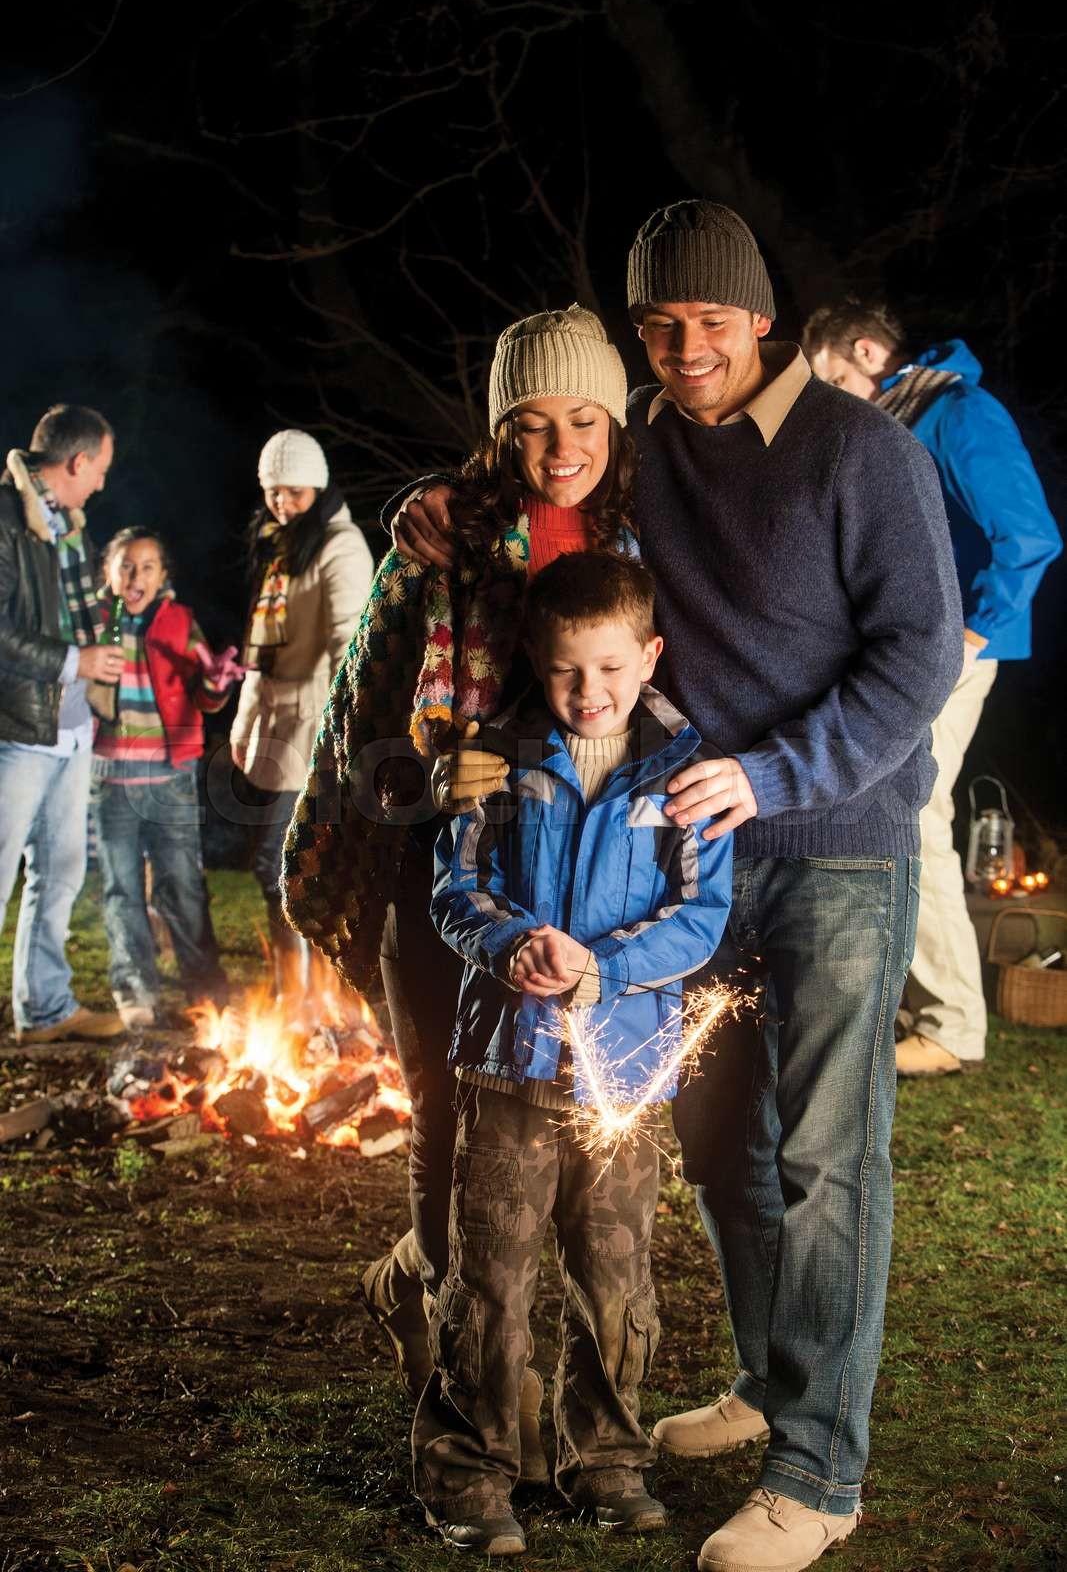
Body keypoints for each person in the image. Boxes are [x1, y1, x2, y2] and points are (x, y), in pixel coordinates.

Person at [390, 203, 963, 1572]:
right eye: (660, 324)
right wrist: (435, 501)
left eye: (709, 320)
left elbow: (919, 655)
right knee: (714, 1146)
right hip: (680, 856)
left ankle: (817, 1472)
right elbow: (537, 476)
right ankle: (765, 1380)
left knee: (827, 1154)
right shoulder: (638, 447)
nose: (685, 345)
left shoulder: (857, 449)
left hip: (827, 840)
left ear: (759, 316)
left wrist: (776, 775)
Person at [281, 308, 634, 1477]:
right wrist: (429, 777)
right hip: (431, 879)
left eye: (582, 419)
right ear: (496, 431)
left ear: (616, 422)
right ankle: (483, 1383)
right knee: (445, 1123)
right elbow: (351, 752)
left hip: (579, 887)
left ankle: (436, 1302)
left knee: (567, 1140)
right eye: (529, 424)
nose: (558, 446)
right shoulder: (433, 541)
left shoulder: (640, 538)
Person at [413, 550, 732, 1555]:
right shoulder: (495, 760)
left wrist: (594, 967)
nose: (585, 692)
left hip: (623, 1075)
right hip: (505, 1063)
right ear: (535, 663)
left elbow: (700, 915)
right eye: (562, 671)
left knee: (615, 1273)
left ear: (648, 657)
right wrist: (514, 944)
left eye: (606, 667)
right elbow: (451, 891)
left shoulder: (685, 774)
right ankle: (473, 1468)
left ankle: (607, 1459)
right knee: (490, 1277)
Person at [802, 302, 1062, 1076]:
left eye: (837, 378)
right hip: (905, 646)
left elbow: (1031, 537)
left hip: (949, 651)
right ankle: (914, 1008)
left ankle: (951, 1025)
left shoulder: (958, 411)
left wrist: (969, 635)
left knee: (916, 813)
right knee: (893, 809)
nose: (837, 396)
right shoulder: (902, 420)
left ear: (870, 349)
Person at [230, 429, 372, 1009]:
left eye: (291, 491)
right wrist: (243, 725)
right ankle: (300, 994)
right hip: (275, 730)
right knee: (283, 867)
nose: (281, 503)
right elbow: (260, 658)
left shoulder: (341, 546)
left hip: (314, 730)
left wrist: (344, 729)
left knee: (285, 867)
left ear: (316, 486)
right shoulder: (286, 551)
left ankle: (315, 999)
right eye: (272, 492)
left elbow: (349, 641)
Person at [0, 406, 126, 1041]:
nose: (101, 483)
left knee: (60, 873)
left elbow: (72, 614)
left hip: (71, 731)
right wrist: (77, 660)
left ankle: (44, 1009)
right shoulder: (5, 521)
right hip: (15, 732)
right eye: (100, 469)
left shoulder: (68, 525)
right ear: (77, 462)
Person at [90, 527, 243, 1027]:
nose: (136, 576)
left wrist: (217, 683)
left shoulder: (179, 622)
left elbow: (206, 693)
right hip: (110, 780)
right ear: (109, 573)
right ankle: (137, 997)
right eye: (126, 566)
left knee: (182, 886)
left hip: (169, 776)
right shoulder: (96, 622)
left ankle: (205, 995)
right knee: (121, 890)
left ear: (162, 576)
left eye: (148, 566)